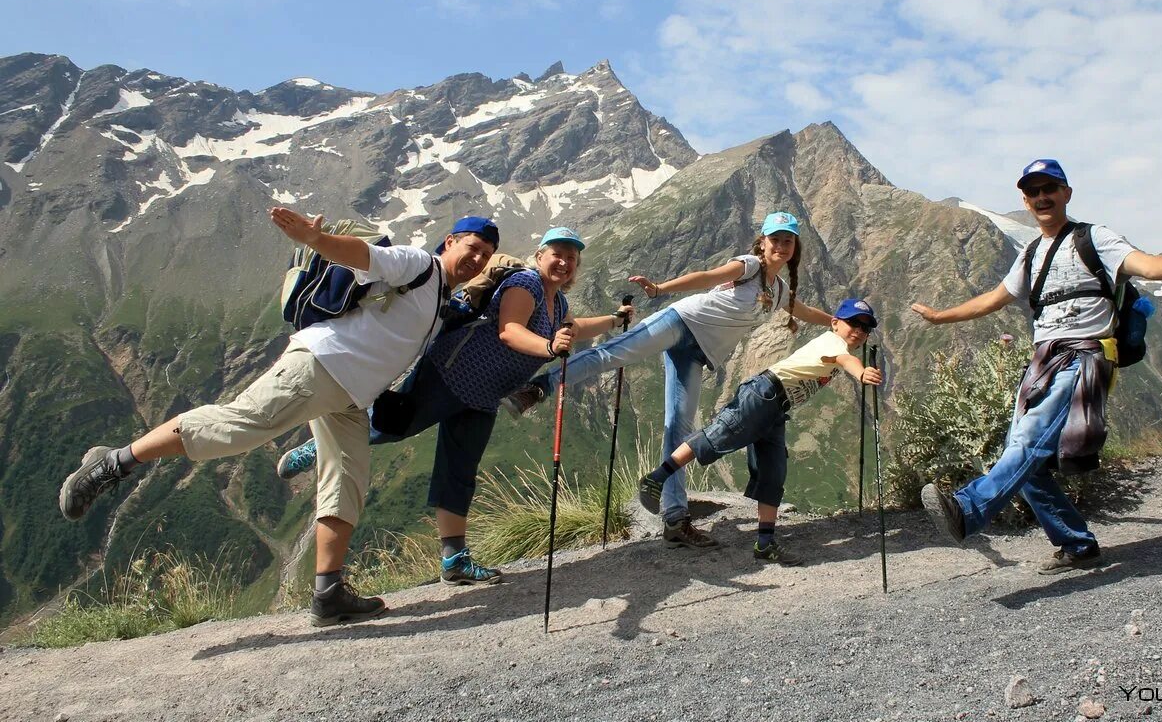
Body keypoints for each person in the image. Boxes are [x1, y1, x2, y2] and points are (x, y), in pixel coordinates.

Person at [58, 208, 499, 626]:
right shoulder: (417, 264)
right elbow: (365, 256)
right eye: (472, 247)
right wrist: (317, 239)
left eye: (484, 255)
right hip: (319, 366)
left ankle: (328, 595)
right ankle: (112, 462)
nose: (476, 258)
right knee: (238, 426)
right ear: (450, 241)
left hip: (350, 396)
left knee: (347, 478)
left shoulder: (440, 301)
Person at [910, 159, 1162, 574]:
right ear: (1025, 200)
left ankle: (968, 509)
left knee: (1026, 443)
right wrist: (941, 317)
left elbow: (1150, 265)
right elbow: (994, 298)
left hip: (1084, 356)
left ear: (1066, 193)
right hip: (1042, 361)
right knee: (1026, 461)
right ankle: (1076, 543)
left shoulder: (1094, 238)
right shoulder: (1030, 253)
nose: (1042, 197)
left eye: (1050, 188)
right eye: (1033, 191)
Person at [277, 227, 632, 585]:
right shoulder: (527, 284)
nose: (564, 262)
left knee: (460, 470)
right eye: (557, 254)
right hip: (450, 374)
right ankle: (317, 447)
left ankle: (455, 561)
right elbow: (510, 329)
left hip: (484, 395)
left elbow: (575, 326)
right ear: (540, 256)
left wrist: (615, 319)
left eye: (571, 258)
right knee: (391, 427)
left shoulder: (559, 304)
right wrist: (549, 349)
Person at [504, 212, 834, 548]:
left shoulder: (778, 291)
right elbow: (706, 277)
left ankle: (675, 519)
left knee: (680, 427)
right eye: (774, 239)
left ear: (794, 247)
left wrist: (836, 322)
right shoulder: (749, 265)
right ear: (762, 243)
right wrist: (660, 288)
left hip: (697, 352)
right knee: (612, 354)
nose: (780, 245)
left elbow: (804, 311)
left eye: (787, 240)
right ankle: (539, 387)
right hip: (680, 321)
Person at [636, 298, 884, 564]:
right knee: (717, 436)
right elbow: (847, 360)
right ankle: (656, 478)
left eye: (865, 328)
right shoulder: (835, 343)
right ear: (835, 323)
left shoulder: (836, 341)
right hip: (764, 394)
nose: (859, 331)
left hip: (777, 406)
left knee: (773, 473)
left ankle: (765, 544)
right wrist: (861, 374)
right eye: (853, 323)